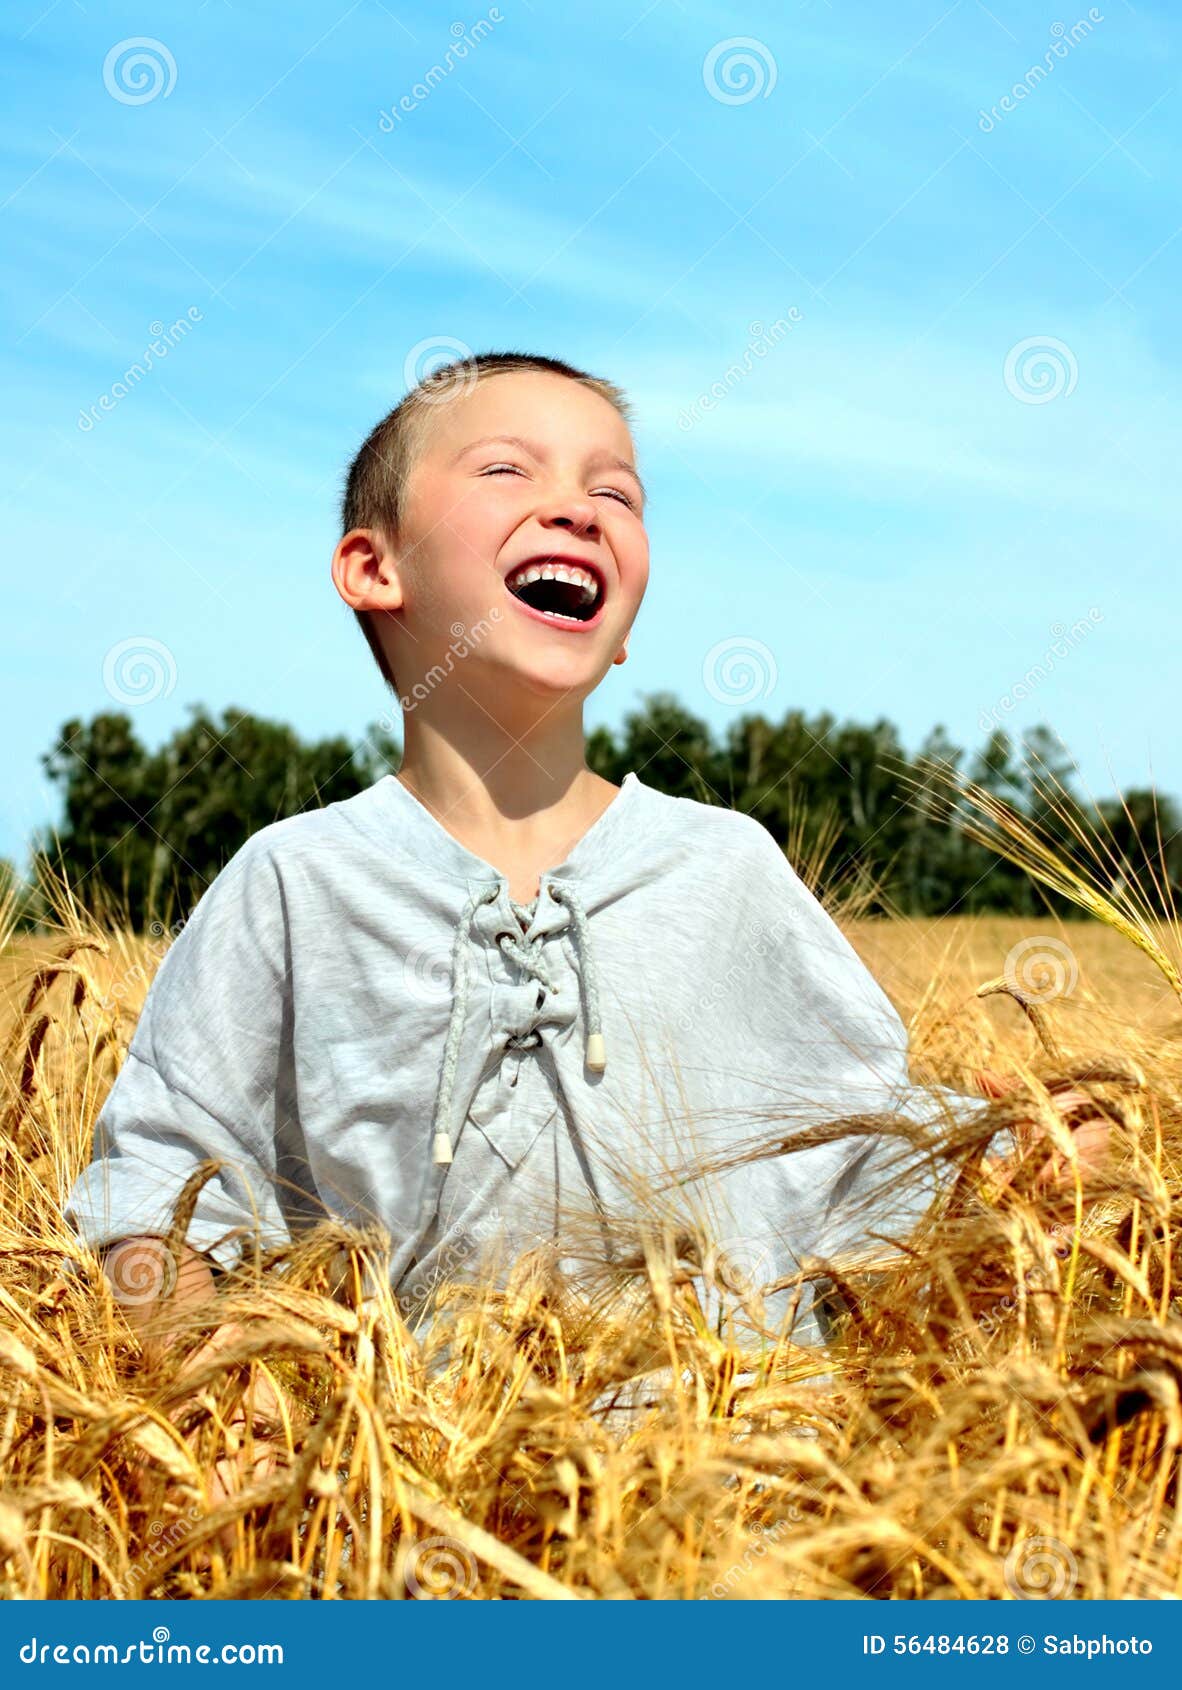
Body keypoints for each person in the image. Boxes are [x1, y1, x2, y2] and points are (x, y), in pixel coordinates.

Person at [65, 352, 1111, 1409]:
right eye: (508, 471)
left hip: (737, 1508)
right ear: (374, 568)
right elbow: (158, 1183)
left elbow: (863, 1166)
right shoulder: (291, 883)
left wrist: (1019, 1163)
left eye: (616, 492)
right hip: (405, 1519)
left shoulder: (726, 869)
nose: (577, 508)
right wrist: (225, 1414)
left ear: (624, 629)